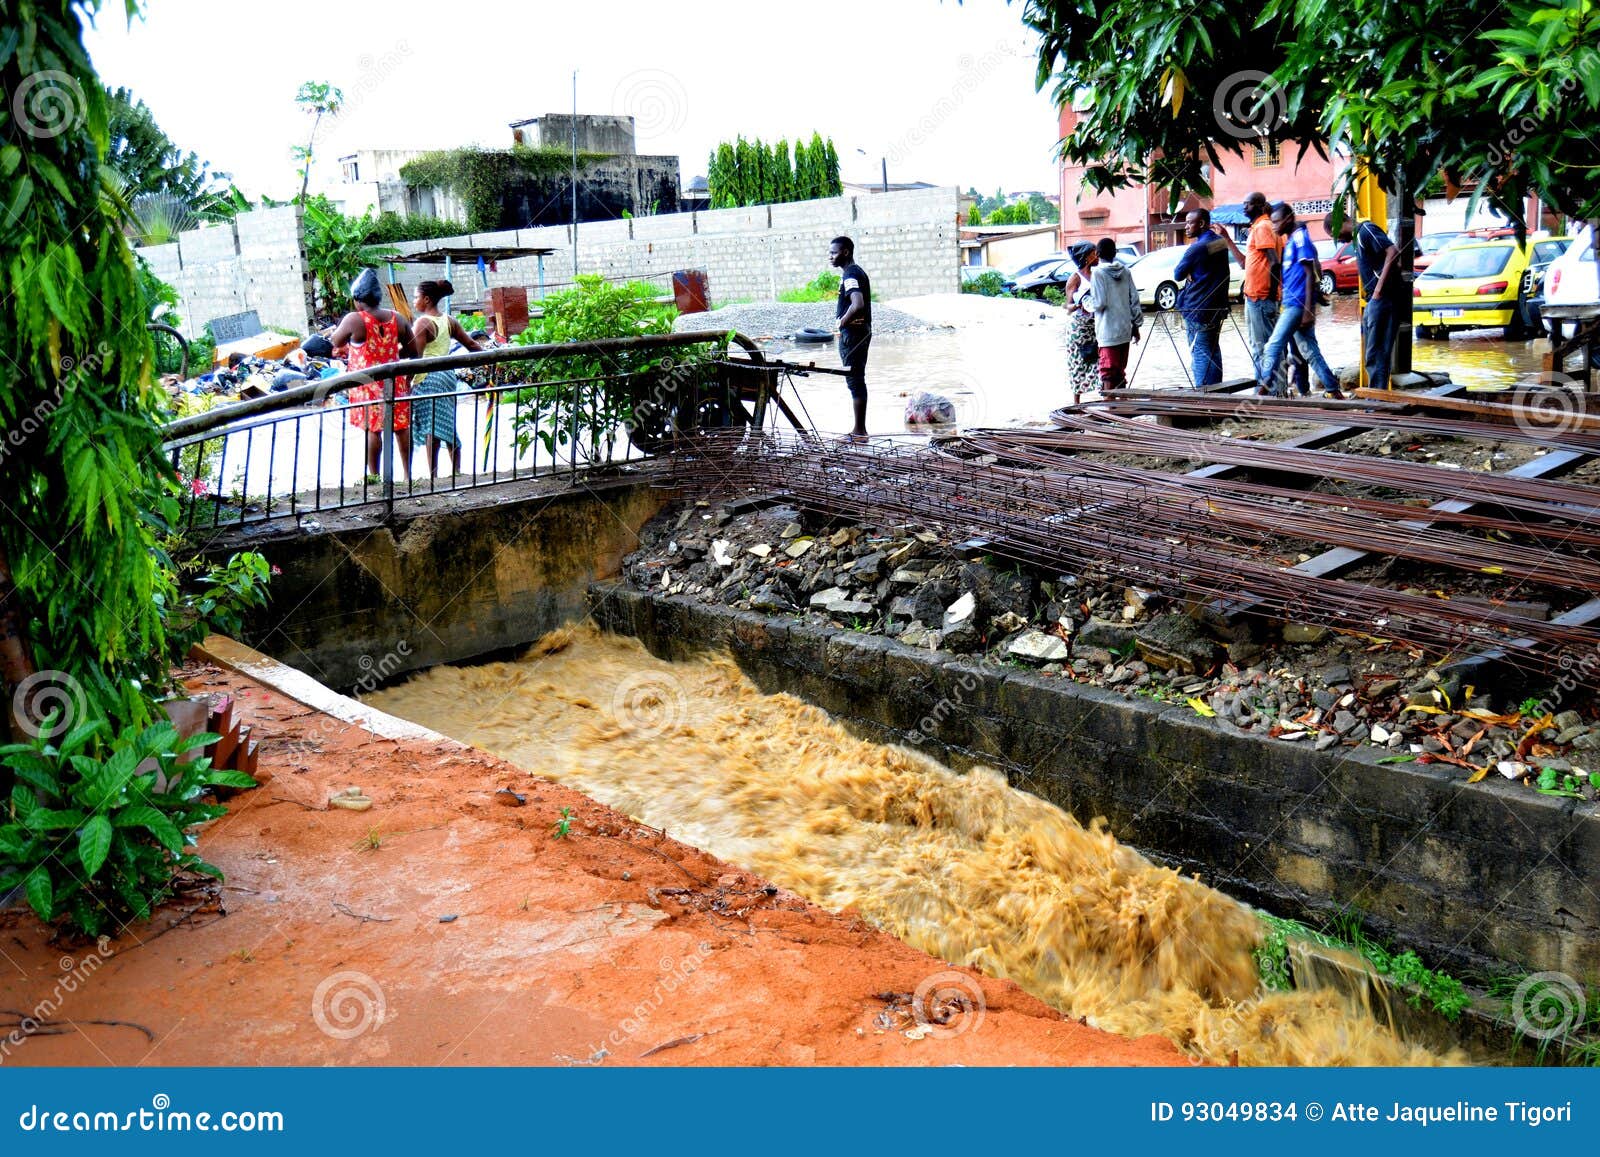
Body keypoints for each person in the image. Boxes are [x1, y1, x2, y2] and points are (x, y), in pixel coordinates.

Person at [326, 268, 416, 482]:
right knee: (401, 427)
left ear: (358, 300)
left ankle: (375, 477)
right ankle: (407, 475)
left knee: (373, 430)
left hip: (366, 386)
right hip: (396, 383)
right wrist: (397, 363)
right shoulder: (398, 318)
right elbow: (414, 353)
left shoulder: (353, 319)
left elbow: (334, 342)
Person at [1254, 203, 1344, 399]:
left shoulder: (1301, 239)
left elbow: (1309, 273)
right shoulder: (1291, 241)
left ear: (1288, 219)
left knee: (1272, 345)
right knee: (1310, 351)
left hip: (1297, 305)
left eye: (1276, 222)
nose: (1274, 226)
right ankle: (1333, 390)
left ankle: (1263, 387)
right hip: (1292, 303)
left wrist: (1308, 309)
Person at [409, 279, 484, 481]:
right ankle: (456, 471)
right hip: (448, 376)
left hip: (428, 377)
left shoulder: (422, 323)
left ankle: (433, 475)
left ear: (426, 299)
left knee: (430, 427)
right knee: (448, 423)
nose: (414, 301)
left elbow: (416, 357)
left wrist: (407, 382)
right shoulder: (449, 321)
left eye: (416, 297)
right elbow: (472, 344)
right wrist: (493, 358)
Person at [1172, 207, 1238, 386]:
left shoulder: (1197, 248)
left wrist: (1189, 272)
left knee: (1200, 352)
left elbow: (1177, 274)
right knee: (1213, 350)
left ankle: (1203, 397)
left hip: (1197, 308)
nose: (1185, 227)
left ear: (1201, 224)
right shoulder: (1219, 243)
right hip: (1216, 307)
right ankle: (1217, 393)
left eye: (1189, 223)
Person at [1342, 215, 1404, 390]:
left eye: (1336, 236)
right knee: (1374, 353)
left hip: (1383, 298)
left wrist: (1378, 289)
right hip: (1374, 299)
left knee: (1377, 353)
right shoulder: (1358, 238)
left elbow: (1393, 251)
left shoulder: (1365, 230)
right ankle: (1376, 396)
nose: (1339, 242)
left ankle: (1377, 399)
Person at [1086, 237, 1141, 391]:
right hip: (1124, 330)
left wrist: (1084, 301)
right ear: (1115, 253)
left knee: (1107, 373)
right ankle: (1120, 409)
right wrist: (1136, 327)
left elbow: (1099, 303)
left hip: (1107, 332)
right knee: (1120, 372)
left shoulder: (1097, 273)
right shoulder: (1126, 271)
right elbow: (1134, 299)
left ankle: (1110, 411)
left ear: (1097, 254)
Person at [830, 236, 871, 439]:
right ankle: (859, 429)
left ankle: (859, 431)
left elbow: (858, 304)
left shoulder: (851, 274)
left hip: (853, 336)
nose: (830, 257)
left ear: (845, 252)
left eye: (833, 253)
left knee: (855, 381)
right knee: (856, 380)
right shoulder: (854, 272)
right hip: (858, 334)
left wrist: (842, 322)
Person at [1060, 241, 1100, 401]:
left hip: (1094, 326)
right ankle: (1076, 404)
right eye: (1094, 252)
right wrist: (1078, 305)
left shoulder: (1097, 275)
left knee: (1099, 364)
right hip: (1078, 329)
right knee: (1078, 365)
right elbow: (1066, 306)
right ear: (1086, 256)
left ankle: (1105, 400)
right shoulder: (1075, 278)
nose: (1097, 255)